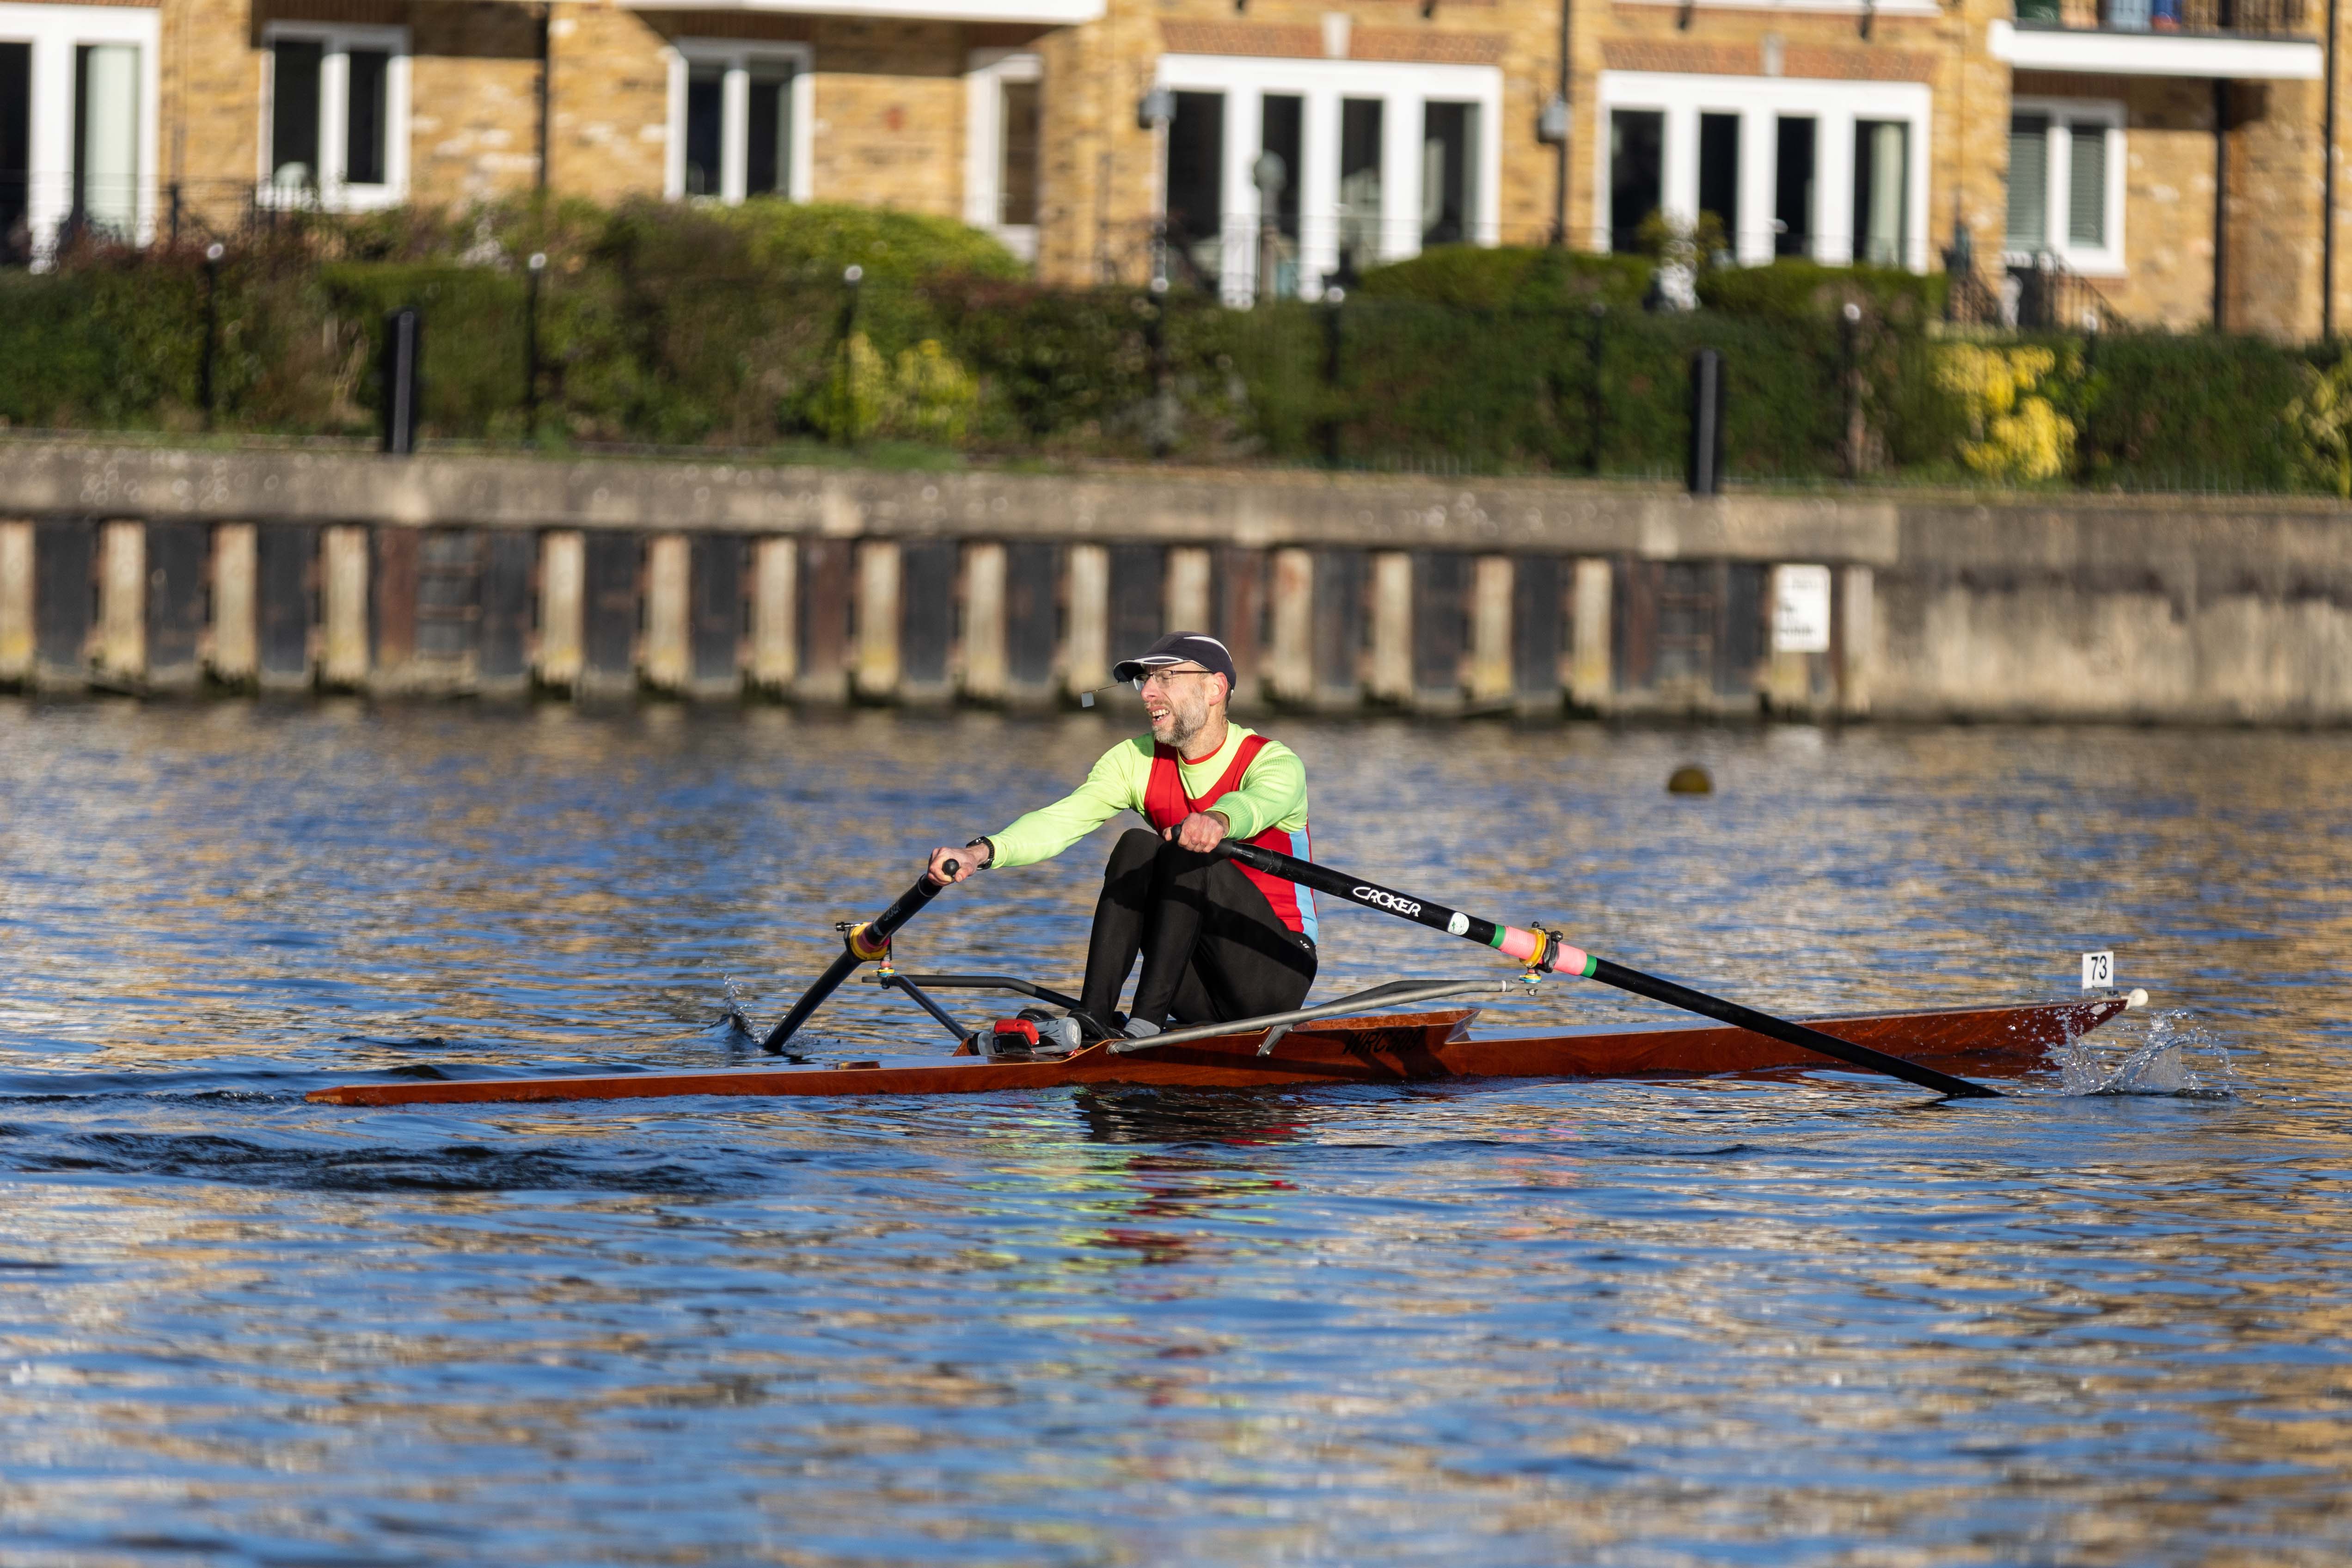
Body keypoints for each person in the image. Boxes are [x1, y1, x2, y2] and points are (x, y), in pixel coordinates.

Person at [925, 632, 1316, 1040]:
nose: (1147, 692)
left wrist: (1216, 819)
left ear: (1215, 688)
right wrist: (979, 853)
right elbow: (1063, 819)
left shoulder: (1273, 761)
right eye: (1145, 680)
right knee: (1137, 845)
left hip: (1275, 972)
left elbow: (1257, 804)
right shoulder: (1135, 760)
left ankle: (1144, 1026)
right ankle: (1094, 1016)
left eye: (1165, 678)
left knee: (1187, 853)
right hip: (1191, 982)